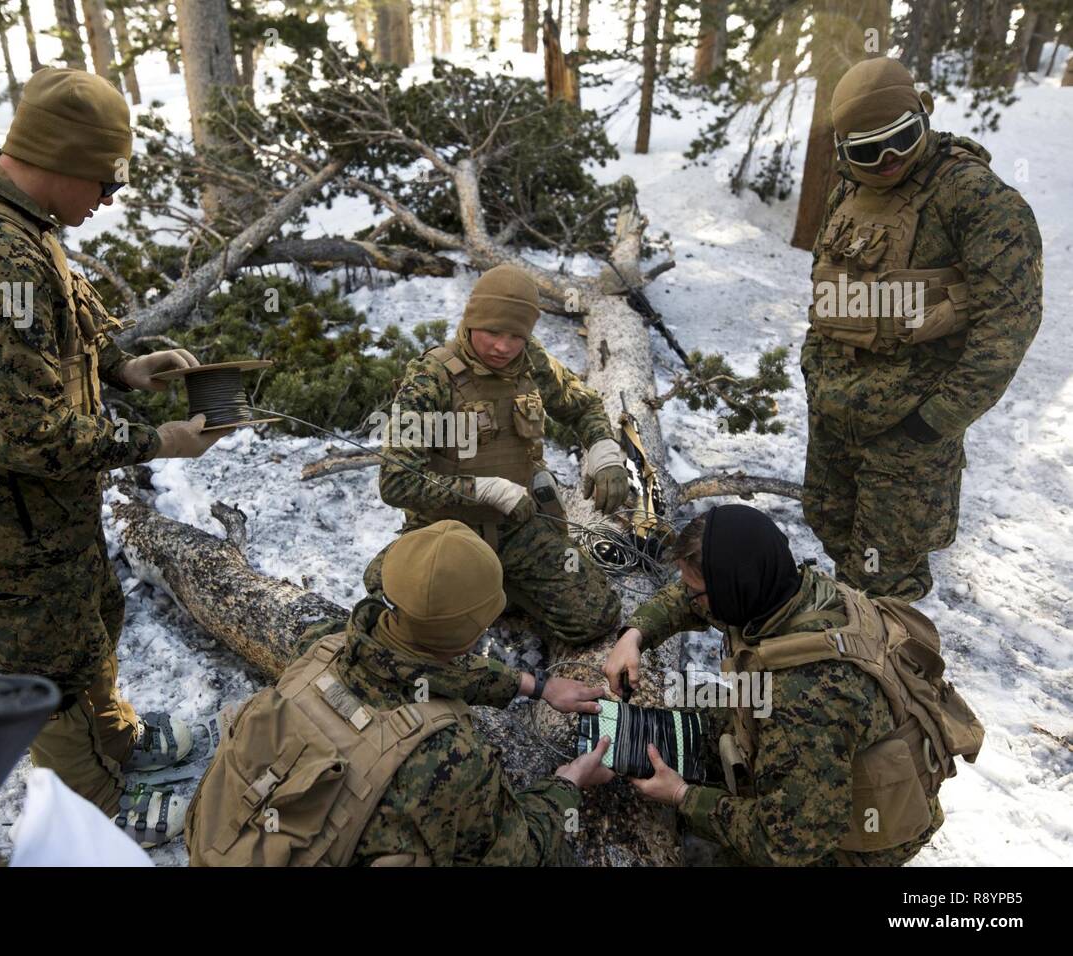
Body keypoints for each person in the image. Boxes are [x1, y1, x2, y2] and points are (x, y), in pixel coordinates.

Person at [0, 68, 228, 844]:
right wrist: (160, 441)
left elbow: (27, 355)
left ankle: (114, 737)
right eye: (105, 179)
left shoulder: (1, 213)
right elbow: (30, 435)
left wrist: (119, 367)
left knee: (89, 625)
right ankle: (90, 808)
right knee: (47, 671)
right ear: (58, 160)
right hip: (9, 513)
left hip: (41, 506)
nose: (111, 198)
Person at [188, 520, 616, 866]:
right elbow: (516, 853)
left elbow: (410, 666)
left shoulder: (320, 649)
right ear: (473, 635)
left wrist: (533, 685)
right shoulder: (451, 757)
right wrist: (567, 785)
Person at [604, 504, 984, 866]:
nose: (691, 599)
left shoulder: (804, 699)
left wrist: (683, 797)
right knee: (690, 721)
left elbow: (786, 842)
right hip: (839, 762)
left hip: (859, 840)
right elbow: (691, 599)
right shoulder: (785, 591)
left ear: (732, 589)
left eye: (698, 592)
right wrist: (635, 634)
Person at [801, 56, 1042, 601]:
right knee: (835, 534)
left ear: (923, 115)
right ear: (843, 152)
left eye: (901, 140)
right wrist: (814, 377)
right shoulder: (846, 191)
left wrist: (934, 423)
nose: (886, 161)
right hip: (835, 417)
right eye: (866, 151)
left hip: (910, 430)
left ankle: (892, 679)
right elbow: (827, 286)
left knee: (887, 576)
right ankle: (850, 662)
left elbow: (1008, 326)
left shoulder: (977, 199)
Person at [366, 263, 628, 646]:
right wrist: (484, 491)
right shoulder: (430, 379)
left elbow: (583, 405)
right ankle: (484, 587)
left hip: (518, 527)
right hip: (444, 533)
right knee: (393, 602)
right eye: (491, 331)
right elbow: (396, 482)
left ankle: (500, 589)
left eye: (516, 335)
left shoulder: (531, 362)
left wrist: (604, 452)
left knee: (596, 618)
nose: (503, 347)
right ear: (471, 320)